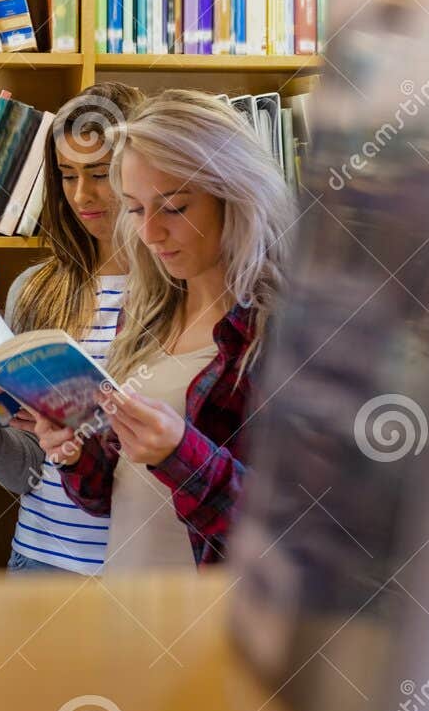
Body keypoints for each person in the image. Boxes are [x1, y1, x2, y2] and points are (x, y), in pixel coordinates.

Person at [28, 89, 293, 568]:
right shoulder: (147, 314)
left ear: (235, 196)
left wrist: (179, 452)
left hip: (212, 623)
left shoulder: (280, 332)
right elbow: (118, 494)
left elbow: (292, 531)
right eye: (134, 208)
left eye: (173, 207)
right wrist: (75, 453)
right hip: (124, 607)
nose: (149, 233)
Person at [0, 83, 146, 574]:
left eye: (101, 174)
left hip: (143, 567)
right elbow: (26, 469)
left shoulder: (183, 292)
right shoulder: (35, 291)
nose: (82, 195)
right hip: (41, 561)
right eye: (66, 176)